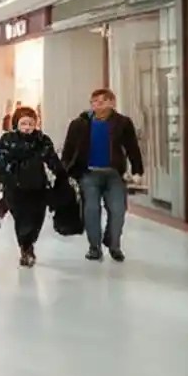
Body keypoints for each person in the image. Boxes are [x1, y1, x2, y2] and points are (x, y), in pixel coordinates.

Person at [60, 88, 144, 262]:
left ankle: (113, 244)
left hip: (113, 174)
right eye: (95, 101)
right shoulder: (80, 123)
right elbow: (69, 148)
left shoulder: (122, 123)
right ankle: (94, 247)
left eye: (103, 101)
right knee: (91, 210)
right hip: (89, 173)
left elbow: (132, 148)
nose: (98, 104)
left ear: (112, 103)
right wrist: (65, 170)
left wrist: (137, 170)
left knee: (118, 210)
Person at [0, 106, 66, 267]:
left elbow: (52, 159)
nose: (27, 128)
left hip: (38, 186)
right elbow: (1, 162)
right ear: (16, 124)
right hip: (15, 187)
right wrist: (4, 180)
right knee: (22, 218)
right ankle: (25, 248)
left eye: (30, 124)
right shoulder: (7, 140)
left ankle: (29, 242)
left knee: (37, 217)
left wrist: (61, 174)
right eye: (23, 124)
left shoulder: (42, 140)